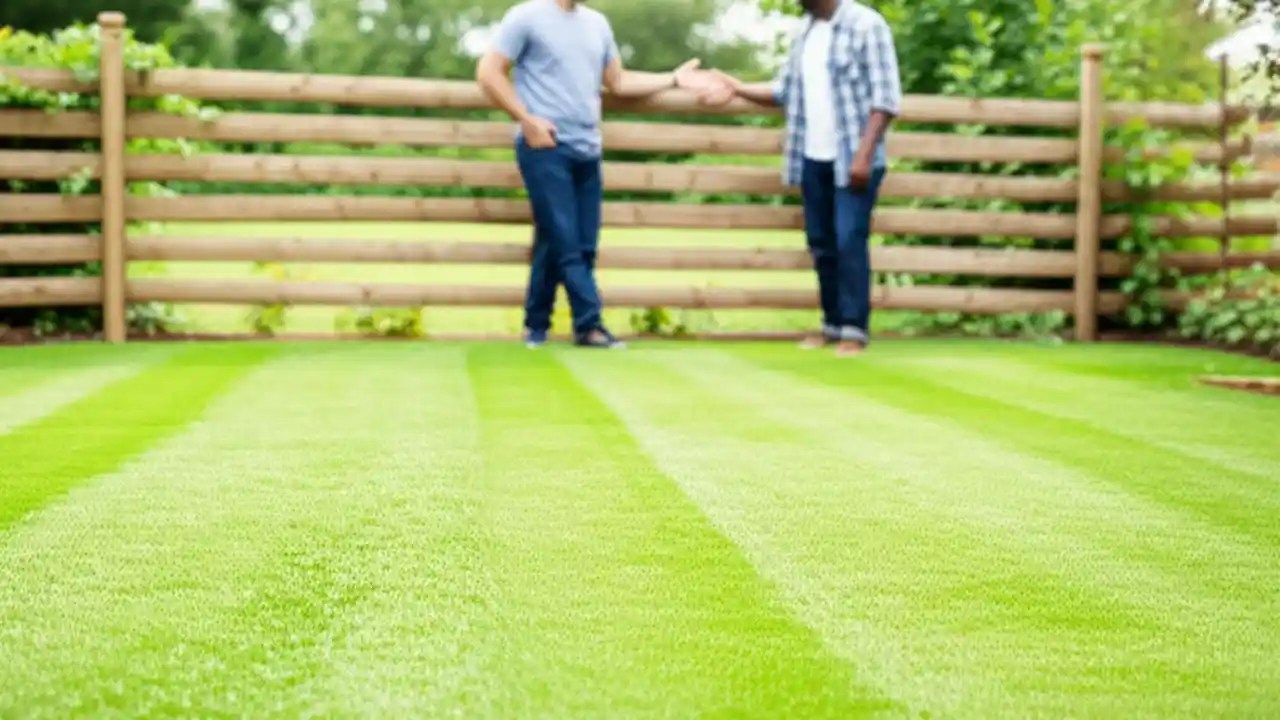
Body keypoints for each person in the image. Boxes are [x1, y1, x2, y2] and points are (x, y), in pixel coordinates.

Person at [476, 0, 719, 349]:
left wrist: (674, 78)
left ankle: (535, 326)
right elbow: (488, 72)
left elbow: (618, 82)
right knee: (567, 242)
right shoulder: (526, 16)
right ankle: (589, 325)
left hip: (588, 150)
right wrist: (526, 120)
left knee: (572, 242)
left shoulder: (597, 24)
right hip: (545, 146)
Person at [707, 0, 901, 357]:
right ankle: (832, 325)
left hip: (853, 156)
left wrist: (863, 155)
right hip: (813, 157)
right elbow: (783, 91)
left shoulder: (866, 25)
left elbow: (885, 99)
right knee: (821, 243)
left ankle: (854, 329)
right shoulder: (805, 32)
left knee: (849, 239)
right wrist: (737, 87)